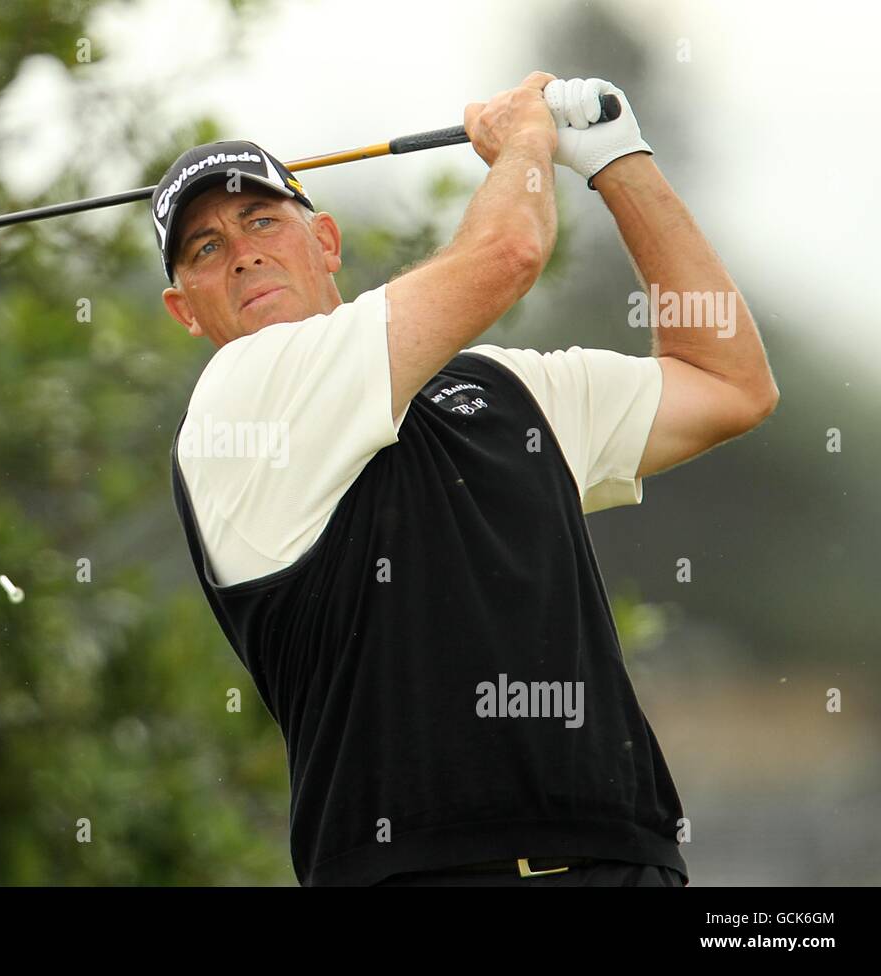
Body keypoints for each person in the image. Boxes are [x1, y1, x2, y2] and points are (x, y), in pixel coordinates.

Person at [152, 71, 779, 886]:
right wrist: (525, 141)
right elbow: (508, 254)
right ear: (184, 310)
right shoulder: (237, 403)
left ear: (327, 242)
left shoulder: (504, 388)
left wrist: (620, 159)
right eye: (205, 249)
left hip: (624, 862)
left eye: (262, 219)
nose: (244, 255)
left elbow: (730, 383)